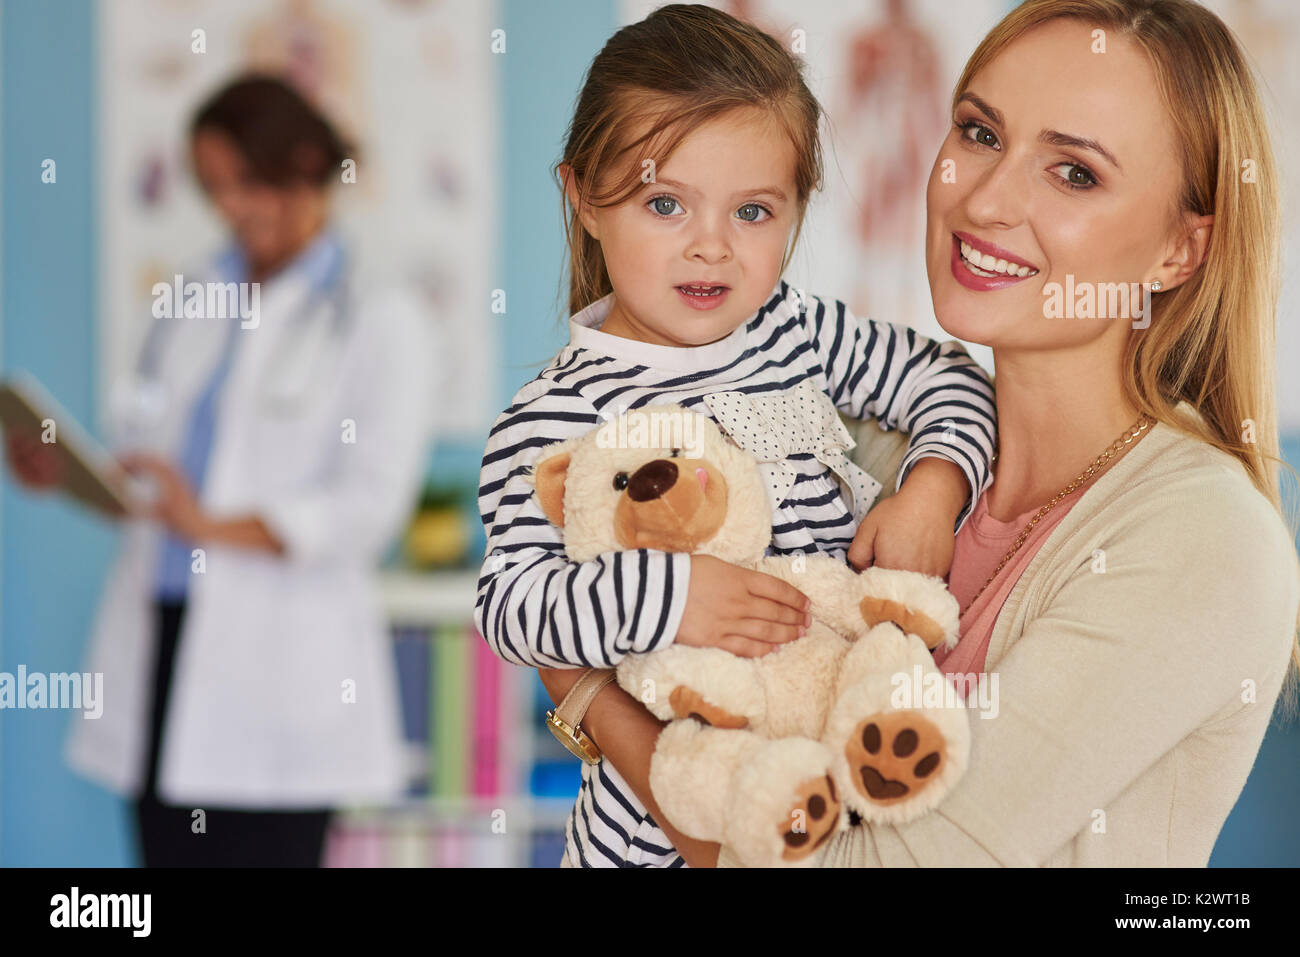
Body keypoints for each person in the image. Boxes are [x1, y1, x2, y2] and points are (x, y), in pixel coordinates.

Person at [537, 0, 1300, 867]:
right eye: (979, 132)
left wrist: (590, 693)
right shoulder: (858, 446)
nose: (986, 197)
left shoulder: (1201, 539)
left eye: (1075, 173)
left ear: (1180, 250)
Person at [474, 3, 998, 868]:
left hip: (837, 781)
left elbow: (947, 377)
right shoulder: (549, 417)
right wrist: (671, 594)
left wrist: (935, 485)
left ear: (797, 210)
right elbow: (512, 608)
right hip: (650, 839)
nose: (711, 247)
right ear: (584, 200)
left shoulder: (797, 330)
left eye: (753, 212)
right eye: (666, 203)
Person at [5, 74, 439, 866]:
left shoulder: (381, 316)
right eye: (213, 188)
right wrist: (74, 477)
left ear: (304, 163)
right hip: (162, 641)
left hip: (275, 665)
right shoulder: (190, 297)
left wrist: (207, 522)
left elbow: (366, 508)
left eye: (244, 181)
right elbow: (152, 471)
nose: (229, 207)